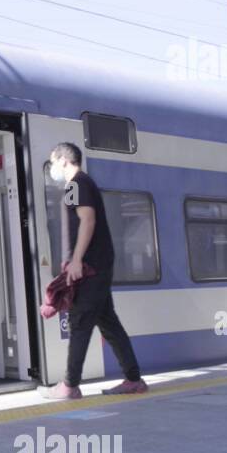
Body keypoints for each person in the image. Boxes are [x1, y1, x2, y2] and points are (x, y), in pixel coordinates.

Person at [42, 142, 148, 399]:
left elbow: (87, 220)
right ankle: (133, 379)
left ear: (63, 161)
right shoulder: (75, 186)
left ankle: (69, 385)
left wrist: (76, 260)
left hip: (90, 267)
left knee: (79, 322)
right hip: (93, 265)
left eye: (53, 162)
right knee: (109, 323)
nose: (52, 168)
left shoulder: (78, 184)